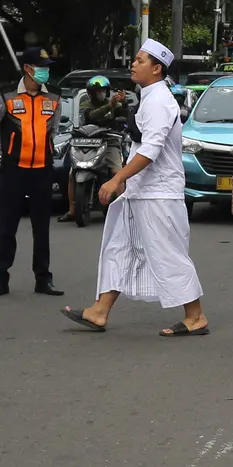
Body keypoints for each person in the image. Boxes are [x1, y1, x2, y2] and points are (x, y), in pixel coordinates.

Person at [60, 40, 208, 334]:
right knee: (120, 247)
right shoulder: (148, 97)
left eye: (140, 60)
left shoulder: (160, 102)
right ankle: (99, 311)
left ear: (156, 69)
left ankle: (195, 316)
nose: (133, 64)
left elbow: (150, 150)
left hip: (159, 193)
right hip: (141, 191)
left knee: (168, 253)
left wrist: (117, 178)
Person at [0, 47, 64, 296]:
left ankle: (43, 278)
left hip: (42, 170)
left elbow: (55, 130)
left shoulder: (54, 98)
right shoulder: (7, 96)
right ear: (28, 68)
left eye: (47, 67)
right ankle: (1, 277)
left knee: (42, 228)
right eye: (41, 67)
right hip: (14, 170)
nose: (45, 71)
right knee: (6, 227)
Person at [60, 76, 128, 223]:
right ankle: (72, 210)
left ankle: (122, 209)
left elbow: (124, 116)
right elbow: (91, 117)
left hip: (110, 142)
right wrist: (110, 105)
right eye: (97, 91)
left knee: (118, 172)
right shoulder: (86, 104)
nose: (101, 93)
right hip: (88, 142)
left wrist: (124, 103)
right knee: (72, 173)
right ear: (91, 93)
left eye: (103, 90)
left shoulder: (114, 104)